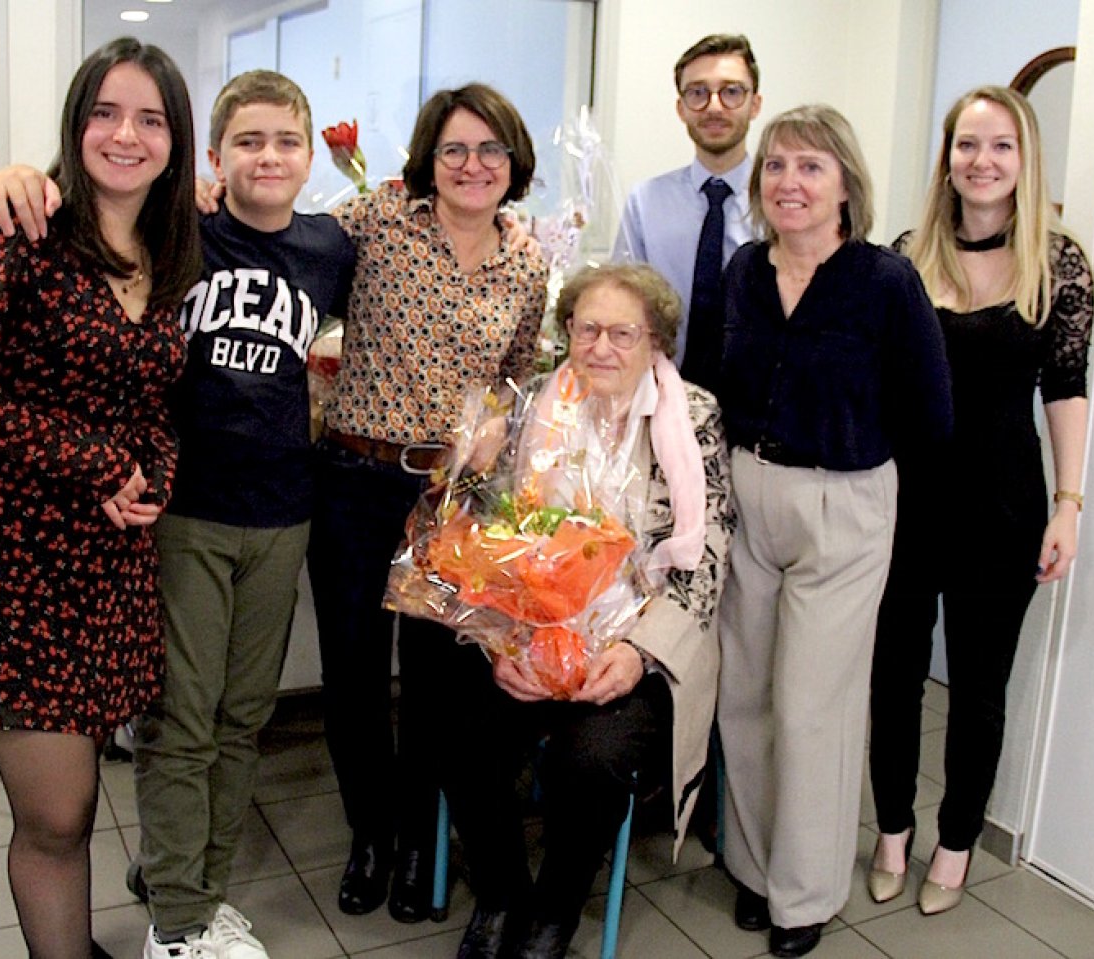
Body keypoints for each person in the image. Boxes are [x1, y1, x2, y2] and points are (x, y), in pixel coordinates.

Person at [0, 70, 358, 958]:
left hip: (282, 510)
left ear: (311, 157)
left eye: (287, 142)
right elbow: (93, 194)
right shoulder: (179, 234)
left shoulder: (332, 248)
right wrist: (17, 176)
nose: (269, 157)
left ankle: (191, 882)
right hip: (182, 510)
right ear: (213, 156)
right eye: (248, 141)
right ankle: (181, 922)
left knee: (243, 715)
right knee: (182, 717)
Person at [0, 37, 202, 959]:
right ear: (75, 127)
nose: (126, 135)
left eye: (150, 119)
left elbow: (151, 399)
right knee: (57, 813)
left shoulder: (167, 250)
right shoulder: (16, 222)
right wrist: (94, 465)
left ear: (174, 140)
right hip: (19, 559)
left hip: (111, 564)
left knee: (81, 804)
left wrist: (148, 470)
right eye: (105, 113)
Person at [305, 83, 548, 923]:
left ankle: (417, 841)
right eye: (454, 149)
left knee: (439, 686)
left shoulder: (528, 258)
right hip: (357, 480)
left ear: (512, 163)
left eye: (490, 150)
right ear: (428, 159)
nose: (472, 165)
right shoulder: (377, 219)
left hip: (455, 498)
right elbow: (288, 251)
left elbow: (518, 368)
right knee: (356, 673)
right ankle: (369, 832)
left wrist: (495, 423)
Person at [440, 262, 734, 959]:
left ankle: (556, 908)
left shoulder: (691, 415)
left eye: (622, 333)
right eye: (587, 328)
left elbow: (708, 557)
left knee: (590, 757)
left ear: (656, 340)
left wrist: (637, 653)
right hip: (534, 631)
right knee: (459, 727)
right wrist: (507, 638)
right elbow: (497, 530)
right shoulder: (540, 399)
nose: (601, 346)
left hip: (633, 641)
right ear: (565, 330)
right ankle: (502, 892)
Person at [713, 105, 952, 958]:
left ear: (846, 181)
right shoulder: (744, 270)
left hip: (844, 501)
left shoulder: (885, 281)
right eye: (776, 166)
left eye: (810, 166)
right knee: (743, 693)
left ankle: (803, 892)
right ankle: (751, 865)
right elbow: (710, 380)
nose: (790, 183)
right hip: (751, 490)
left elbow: (930, 414)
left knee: (812, 706)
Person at [866, 86, 1094, 916]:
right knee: (892, 677)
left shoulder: (1058, 262)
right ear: (947, 156)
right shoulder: (902, 255)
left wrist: (1069, 504)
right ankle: (892, 828)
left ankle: (955, 842)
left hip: (1002, 504)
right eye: (968, 144)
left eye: (1001, 146)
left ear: (1024, 160)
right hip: (903, 499)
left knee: (979, 686)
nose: (982, 161)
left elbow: (1066, 390)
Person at [611, 34, 762, 391]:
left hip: (756, 401)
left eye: (731, 91)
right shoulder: (646, 202)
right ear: (680, 108)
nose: (714, 106)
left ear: (754, 104)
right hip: (661, 395)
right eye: (697, 92)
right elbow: (621, 304)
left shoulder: (780, 204)